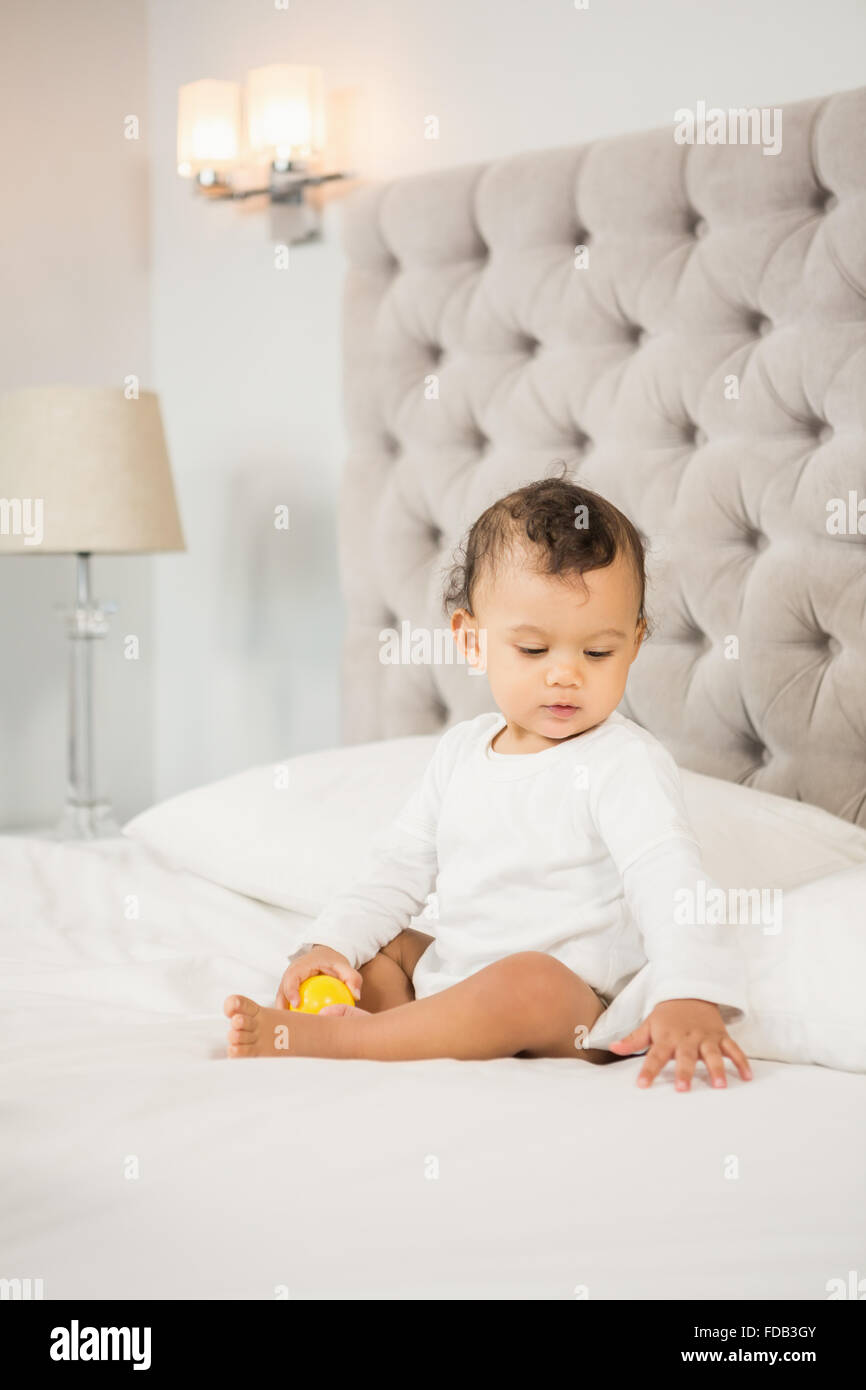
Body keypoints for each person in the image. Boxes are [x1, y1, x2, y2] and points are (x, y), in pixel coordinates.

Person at [224, 473, 752, 1091]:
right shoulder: (460, 752)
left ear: (635, 642)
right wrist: (328, 945)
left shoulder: (624, 762)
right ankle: (405, 1029)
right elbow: (395, 871)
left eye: (598, 653)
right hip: (458, 981)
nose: (565, 676)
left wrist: (688, 993)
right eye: (532, 650)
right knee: (385, 946)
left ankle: (353, 1039)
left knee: (528, 976)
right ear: (472, 640)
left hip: (573, 1008)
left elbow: (670, 881)